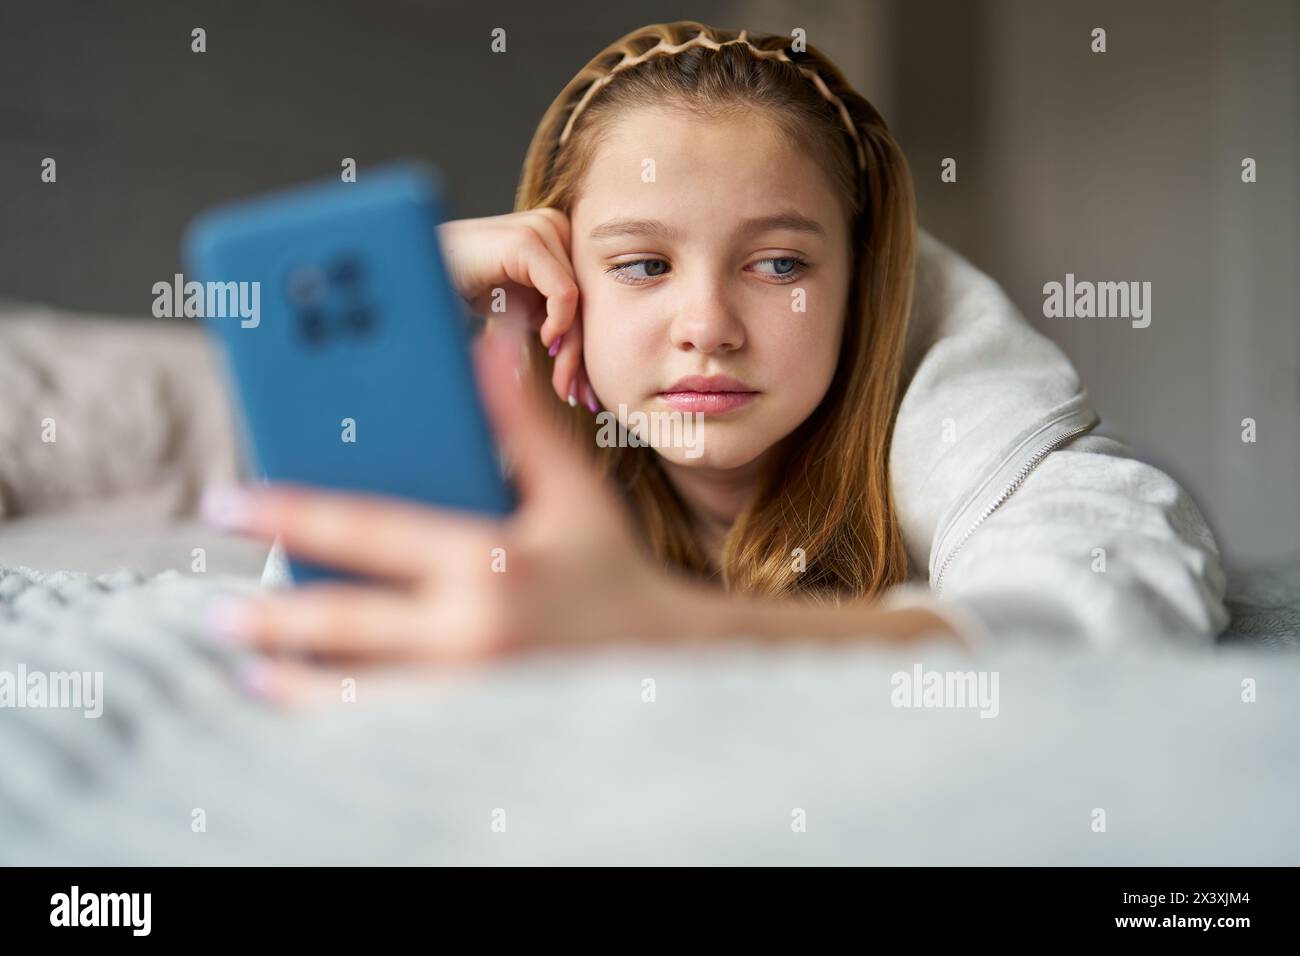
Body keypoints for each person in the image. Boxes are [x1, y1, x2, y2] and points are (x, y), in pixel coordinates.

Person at [203, 21, 1228, 693]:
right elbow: (330, 605)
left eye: (777, 261)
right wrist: (411, 339)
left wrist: (674, 631)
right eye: (643, 264)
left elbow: (1114, 578)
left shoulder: (942, 392)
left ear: (859, 279)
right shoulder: (522, 433)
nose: (708, 325)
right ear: (562, 279)